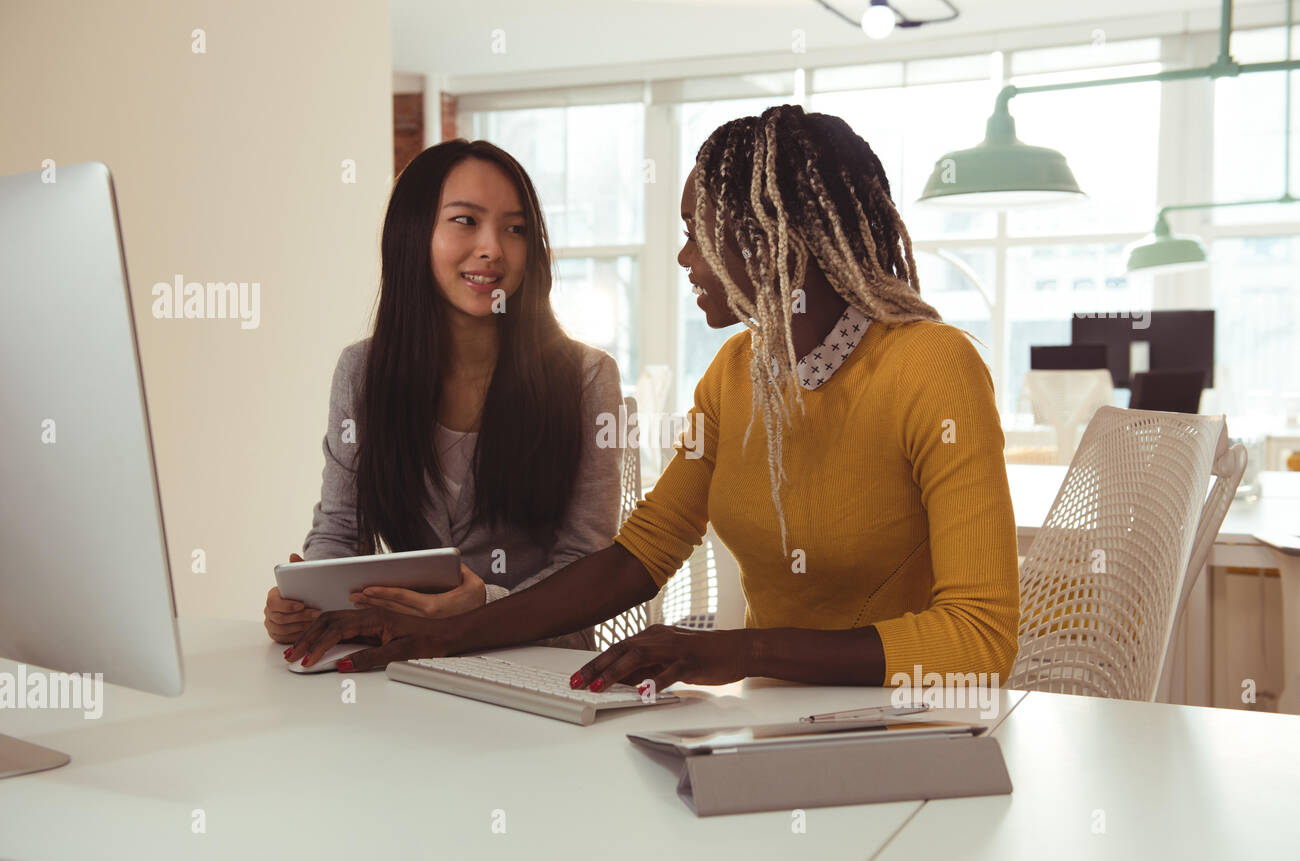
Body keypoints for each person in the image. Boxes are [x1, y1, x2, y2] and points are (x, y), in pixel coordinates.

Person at [285, 105, 1020, 691]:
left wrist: (742, 650)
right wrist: (446, 636)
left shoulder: (933, 366)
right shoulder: (736, 373)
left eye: (697, 233)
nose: (683, 258)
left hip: (918, 722)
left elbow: (981, 637)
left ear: (771, 236)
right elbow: (636, 557)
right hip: (779, 718)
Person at [266, 140, 624, 663]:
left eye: (515, 228)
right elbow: (341, 532)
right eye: (464, 221)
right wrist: (307, 601)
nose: (493, 249)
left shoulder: (587, 379)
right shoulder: (363, 373)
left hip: (530, 663)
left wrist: (482, 609)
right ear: (414, 235)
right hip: (405, 667)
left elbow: (586, 566)